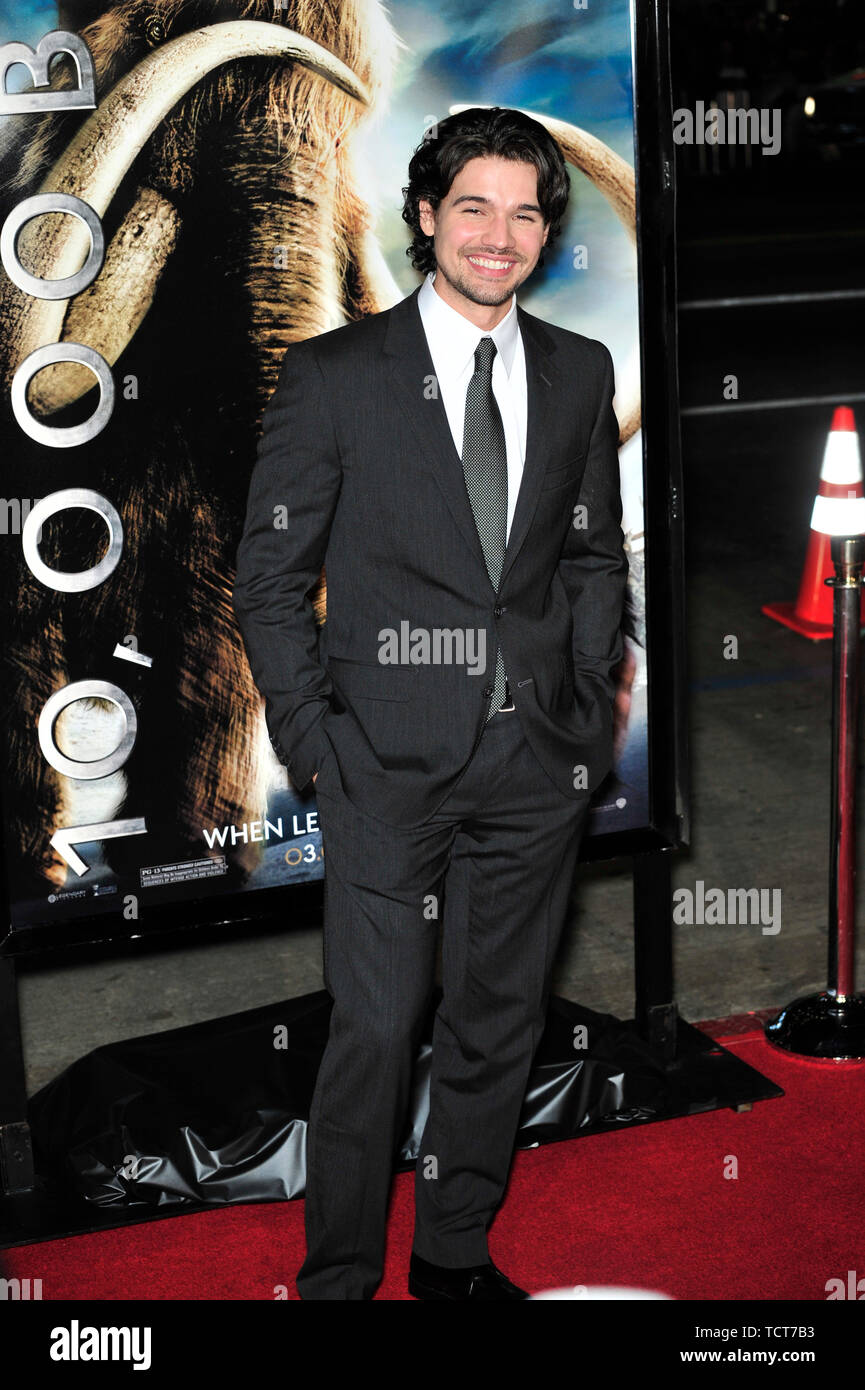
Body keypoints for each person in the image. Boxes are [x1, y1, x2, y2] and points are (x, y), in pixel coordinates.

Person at [232, 106, 628, 1300]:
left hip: (534, 765)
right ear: (424, 216)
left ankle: (454, 1254)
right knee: (373, 1030)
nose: (497, 235)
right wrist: (319, 747)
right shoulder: (336, 377)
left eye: (521, 210)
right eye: (472, 207)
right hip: (383, 771)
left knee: (497, 1022)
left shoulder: (578, 370)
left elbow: (592, 554)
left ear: (545, 227)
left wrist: (585, 699)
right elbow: (268, 575)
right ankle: (340, 1279)